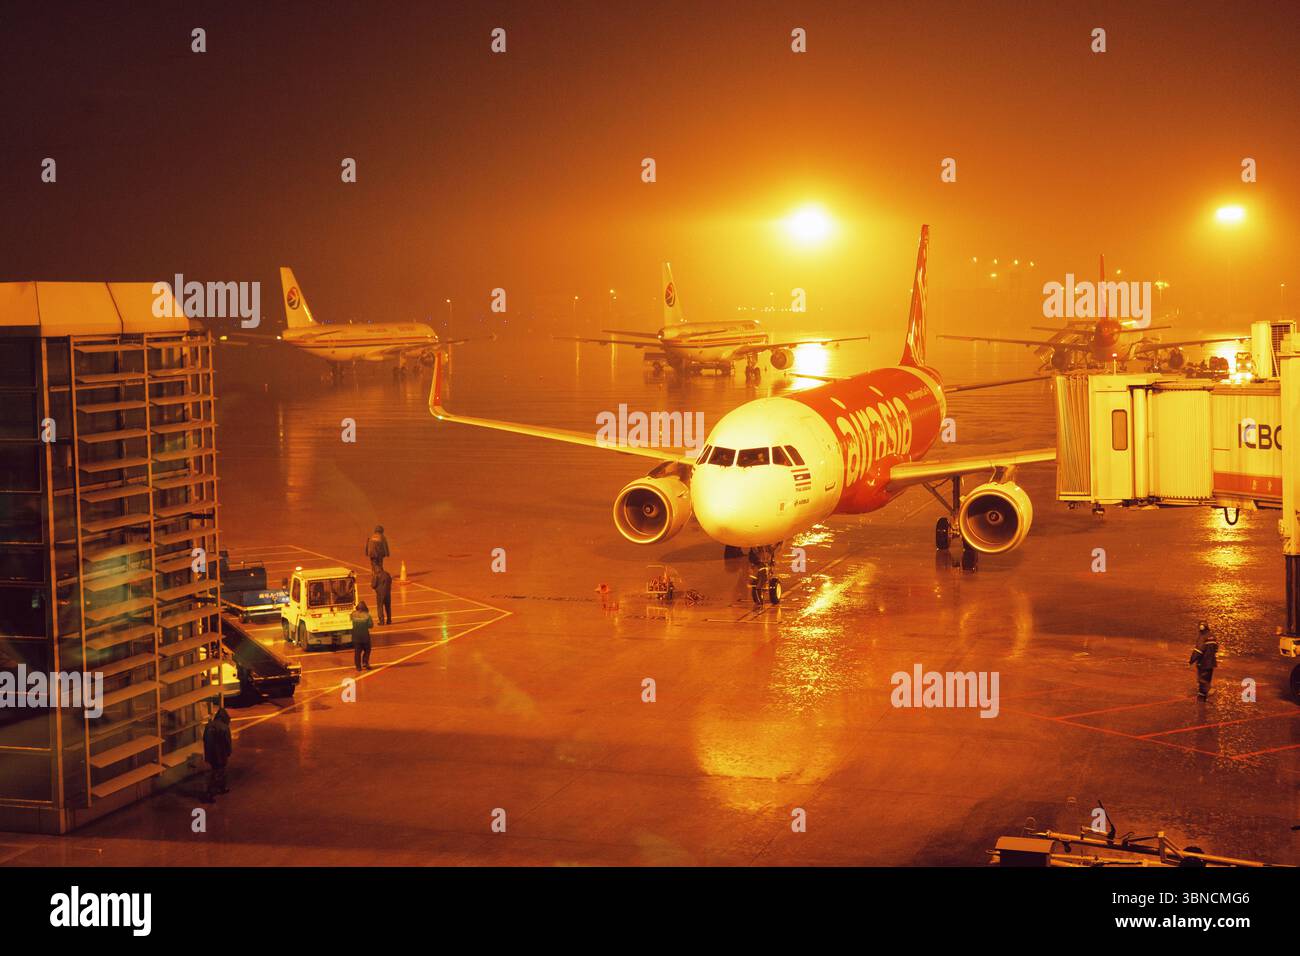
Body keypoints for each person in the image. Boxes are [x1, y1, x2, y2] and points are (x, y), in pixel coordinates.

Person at [202, 707, 232, 803]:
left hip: (211, 753)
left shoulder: (209, 725)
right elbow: (227, 742)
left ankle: (222, 787)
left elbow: (204, 739)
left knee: (217, 770)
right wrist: (228, 751)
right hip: (220, 753)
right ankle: (210, 793)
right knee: (218, 771)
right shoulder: (224, 727)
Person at [1190, 621, 1219, 700]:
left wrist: (1191, 660)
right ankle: (1202, 699)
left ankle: (1207, 691)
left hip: (1203, 663)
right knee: (1207, 679)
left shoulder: (1202, 637)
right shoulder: (1212, 636)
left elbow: (1198, 650)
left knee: (1202, 680)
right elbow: (1216, 648)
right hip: (1211, 663)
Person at [352, 600, 374, 671]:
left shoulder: (353, 615)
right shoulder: (367, 616)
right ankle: (365, 662)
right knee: (367, 649)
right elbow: (370, 625)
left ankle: (358, 667)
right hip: (365, 636)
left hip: (356, 636)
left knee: (357, 652)